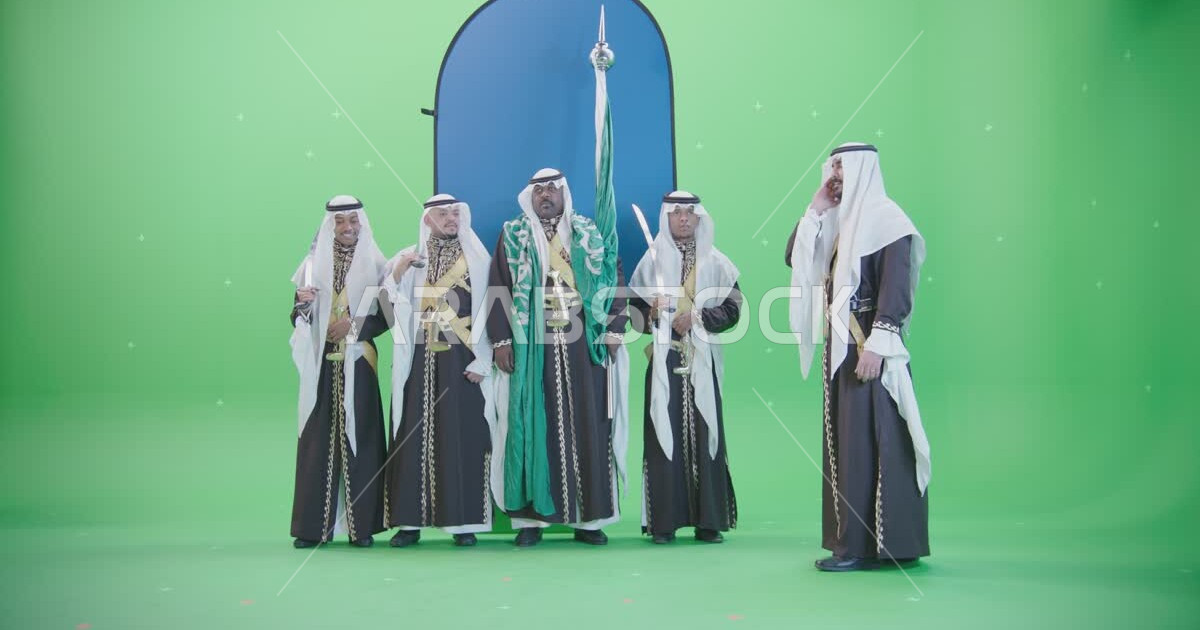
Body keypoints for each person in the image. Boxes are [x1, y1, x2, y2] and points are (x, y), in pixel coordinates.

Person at [786, 143, 931, 571]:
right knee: (847, 443)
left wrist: (878, 344)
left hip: (869, 348)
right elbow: (793, 256)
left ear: (862, 169)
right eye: (831, 165)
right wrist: (815, 209)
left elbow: (896, 285)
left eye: (842, 166)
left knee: (878, 438)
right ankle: (853, 544)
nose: (835, 173)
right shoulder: (836, 221)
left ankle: (878, 546)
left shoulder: (888, 220)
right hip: (841, 348)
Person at [486, 168, 630, 547]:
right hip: (531, 341)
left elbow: (612, 276)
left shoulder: (588, 232)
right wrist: (501, 340)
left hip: (585, 341)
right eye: (539, 191)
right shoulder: (513, 234)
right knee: (532, 421)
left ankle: (590, 519)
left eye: (552, 189)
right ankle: (531, 521)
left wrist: (614, 327)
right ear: (530, 196)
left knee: (589, 422)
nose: (545, 196)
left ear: (564, 193)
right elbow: (499, 283)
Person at [381, 194, 495, 548]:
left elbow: (493, 312)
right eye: (442, 214)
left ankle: (464, 522)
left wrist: (484, 360)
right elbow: (386, 308)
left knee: (462, 437)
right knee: (410, 438)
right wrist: (397, 275)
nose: (450, 219)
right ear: (427, 220)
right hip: (418, 359)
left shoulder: (479, 259)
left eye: (455, 214)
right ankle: (408, 523)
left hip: (462, 361)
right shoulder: (407, 257)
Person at [629, 191, 741, 544]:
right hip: (665, 357)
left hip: (703, 356)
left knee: (706, 429)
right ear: (667, 218)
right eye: (676, 213)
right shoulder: (650, 263)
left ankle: (709, 521)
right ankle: (664, 522)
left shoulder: (718, 263)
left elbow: (734, 309)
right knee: (664, 430)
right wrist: (651, 311)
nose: (683, 219)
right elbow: (632, 316)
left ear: (699, 218)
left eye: (689, 213)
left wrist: (697, 317)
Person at [288, 194, 389, 548]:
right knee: (317, 444)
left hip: (359, 363)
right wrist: (303, 306)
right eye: (340, 223)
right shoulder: (312, 265)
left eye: (353, 221)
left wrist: (354, 324)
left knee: (362, 439)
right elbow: (297, 318)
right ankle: (312, 529)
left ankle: (362, 528)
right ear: (330, 226)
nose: (347, 228)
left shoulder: (378, 263)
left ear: (361, 223)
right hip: (322, 365)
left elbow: (389, 317)